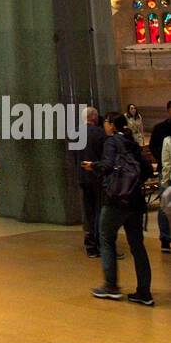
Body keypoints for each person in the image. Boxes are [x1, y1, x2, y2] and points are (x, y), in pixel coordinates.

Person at [83, 114, 154, 305]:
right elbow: (147, 170)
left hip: (116, 200)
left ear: (112, 125)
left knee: (106, 238)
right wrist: (132, 183)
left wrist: (92, 166)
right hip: (135, 201)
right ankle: (144, 292)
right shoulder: (131, 142)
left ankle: (111, 286)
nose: (104, 125)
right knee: (137, 246)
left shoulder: (112, 141)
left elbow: (106, 166)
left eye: (106, 123)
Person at [79, 107, 105, 257]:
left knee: (88, 211)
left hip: (82, 177)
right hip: (97, 176)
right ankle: (100, 242)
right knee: (99, 210)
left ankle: (90, 245)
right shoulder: (100, 133)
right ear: (94, 117)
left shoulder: (74, 133)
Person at [148, 99, 171, 168]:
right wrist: (161, 158)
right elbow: (152, 146)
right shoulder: (159, 128)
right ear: (168, 110)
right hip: (164, 166)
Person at [159, 131, 171, 256]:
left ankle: (165, 239)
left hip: (170, 181)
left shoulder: (168, 141)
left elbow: (166, 165)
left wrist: (165, 183)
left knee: (164, 210)